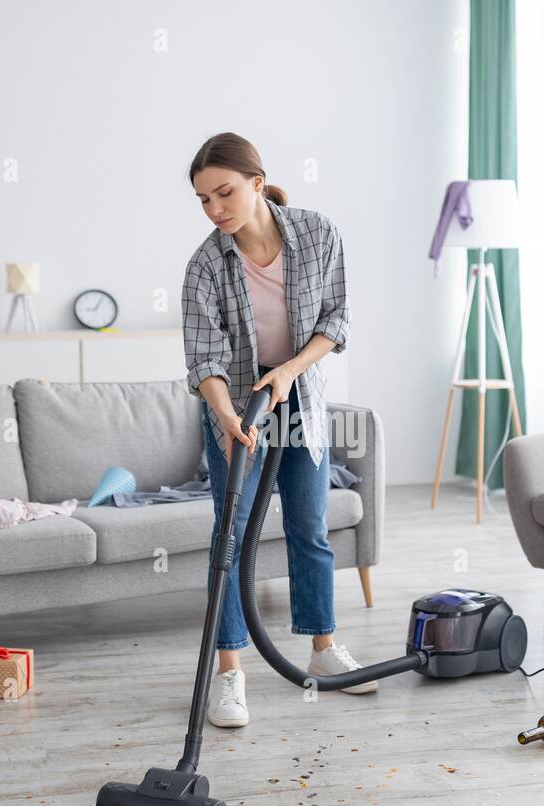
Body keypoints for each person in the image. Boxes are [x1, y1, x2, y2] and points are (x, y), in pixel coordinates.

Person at [182, 132, 377, 728]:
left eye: (226, 192)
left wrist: (290, 370)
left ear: (257, 184)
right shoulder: (204, 266)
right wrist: (226, 413)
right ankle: (230, 674)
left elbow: (336, 319)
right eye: (204, 200)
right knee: (230, 536)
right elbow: (204, 360)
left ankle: (322, 650)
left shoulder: (318, 235)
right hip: (235, 405)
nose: (216, 209)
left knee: (308, 525)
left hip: (301, 396)